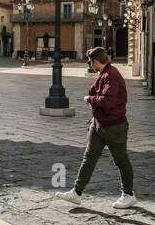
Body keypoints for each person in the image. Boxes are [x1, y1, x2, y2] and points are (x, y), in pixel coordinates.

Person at [56, 46, 136, 208]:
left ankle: (129, 194)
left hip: (114, 126)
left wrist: (90, 99)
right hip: (99, 123)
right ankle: (77, 193)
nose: (90, 65)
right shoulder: (104, 74)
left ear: (96, 61)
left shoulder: (111, 75)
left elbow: (109, 101)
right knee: (89, 156)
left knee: (121, 160)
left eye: (91, 62)